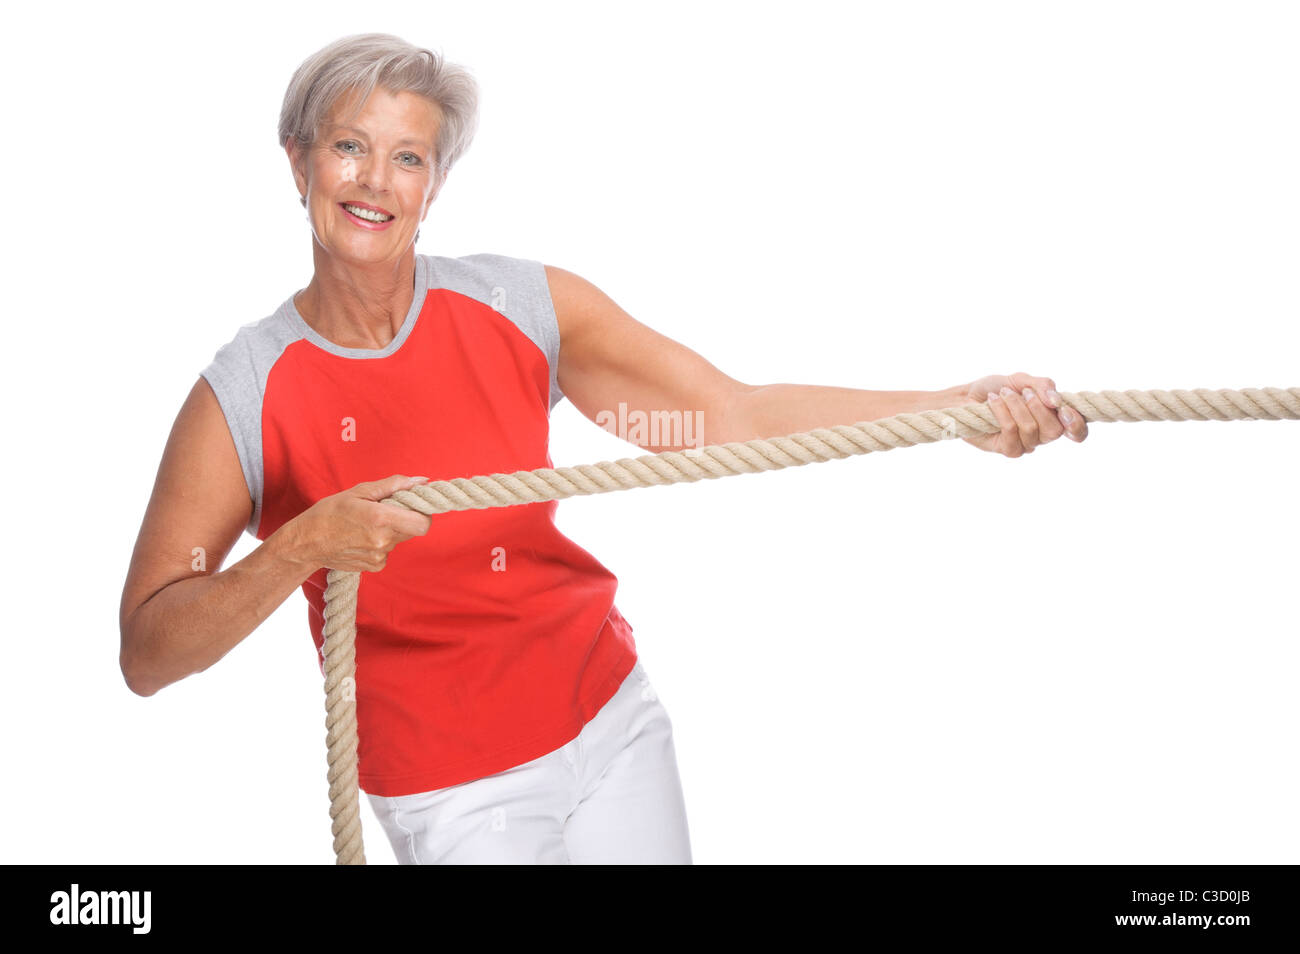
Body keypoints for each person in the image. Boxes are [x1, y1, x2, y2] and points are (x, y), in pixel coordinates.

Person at [118, 32, 1088, 866]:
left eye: (407, 158)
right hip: (456, 791)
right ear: (297, 163)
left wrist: (948, 409)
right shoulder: (244, 393)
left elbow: (725, 417)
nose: (376, 181)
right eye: (348, 147)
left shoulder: (519, 308)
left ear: (435, 183)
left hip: (610, 725)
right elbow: (150, 652)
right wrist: (299, 548)